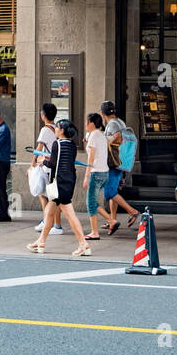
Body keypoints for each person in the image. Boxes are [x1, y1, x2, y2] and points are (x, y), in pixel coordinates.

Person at [26, 120, 91, 256]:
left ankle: (83, 244)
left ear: (61, 131)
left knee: (70, 215)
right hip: (68, 182)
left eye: (57, 127)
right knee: (49, 213)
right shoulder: (72, 145)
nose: (55, 129)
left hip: (58, 184)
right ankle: (41, 242)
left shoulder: (57, 144)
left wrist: (42, 160)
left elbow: (52, 165)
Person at [100, 101, 140, 233]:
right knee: (113, 191)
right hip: (121, 162)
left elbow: (116, 139)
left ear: (102, 113)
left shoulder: (111, 125)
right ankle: (112, 220)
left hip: (114, 162)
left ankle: (132, 211)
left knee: (109, 192)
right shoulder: (120, 122)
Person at [32, 103, 63, 237]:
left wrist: (32, 164)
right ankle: (47, 221)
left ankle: (55, 225)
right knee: (47, 196)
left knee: (50, 197)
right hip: (55, 166)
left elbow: (39, 148)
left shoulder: (45, 130)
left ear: (43, 115)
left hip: (48, 167)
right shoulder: (57, 128)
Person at [82, 112, 111, 241]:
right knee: (93, 202)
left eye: (87, 122)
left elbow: (91, 157)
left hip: (96, 173)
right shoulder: (101, 135)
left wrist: (86, 176)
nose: (86, 125)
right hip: (105, 172)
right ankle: (111, 220)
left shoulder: (93, 135)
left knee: (90, 203)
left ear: (92, 123)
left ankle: (95, 232)